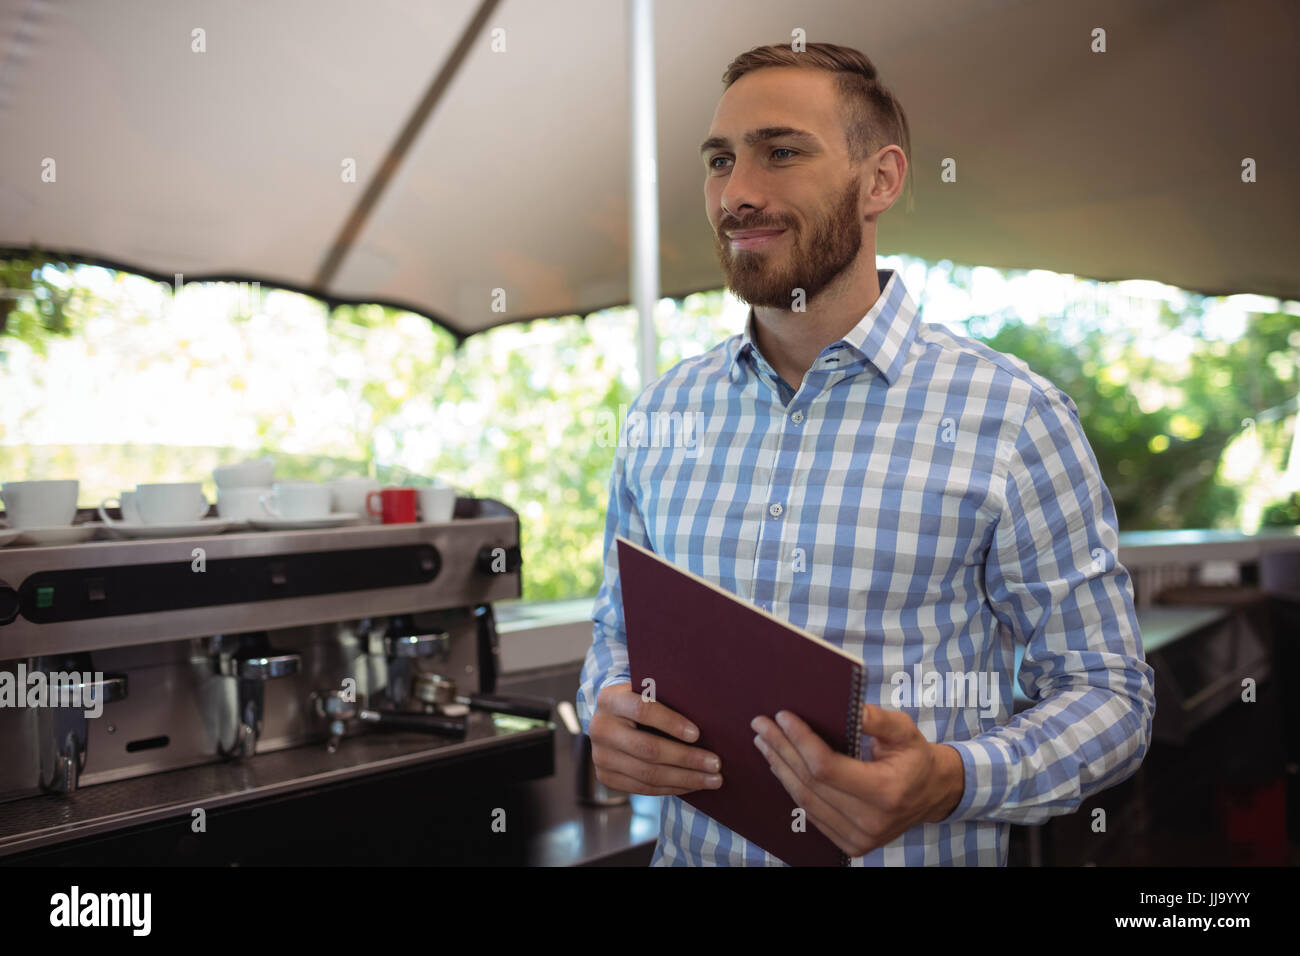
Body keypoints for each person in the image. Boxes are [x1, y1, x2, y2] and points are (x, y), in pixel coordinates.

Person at [576, 41, 1155, 865]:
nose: (738, 193)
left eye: (781, 152)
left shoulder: (1013, 417)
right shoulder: (663, 414)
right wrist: (607, 705)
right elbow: (616, 630)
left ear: (879, 180)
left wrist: (951, 778)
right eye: (719, 160)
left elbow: (1111, 697)